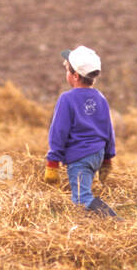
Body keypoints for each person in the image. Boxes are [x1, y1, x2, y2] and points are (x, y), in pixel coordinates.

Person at [43, 46, 118, 218]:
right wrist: (107, 158)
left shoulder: (66, 99)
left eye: (67, 70)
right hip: (97, 154)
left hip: (80, 158)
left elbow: (58, 132)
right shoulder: (100, 97)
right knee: (82, 194)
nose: (66, 73)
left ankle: (114, 221)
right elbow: (108, 129)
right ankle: (94, 223)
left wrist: (52, 162)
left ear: (75, 76)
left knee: (81, 199)